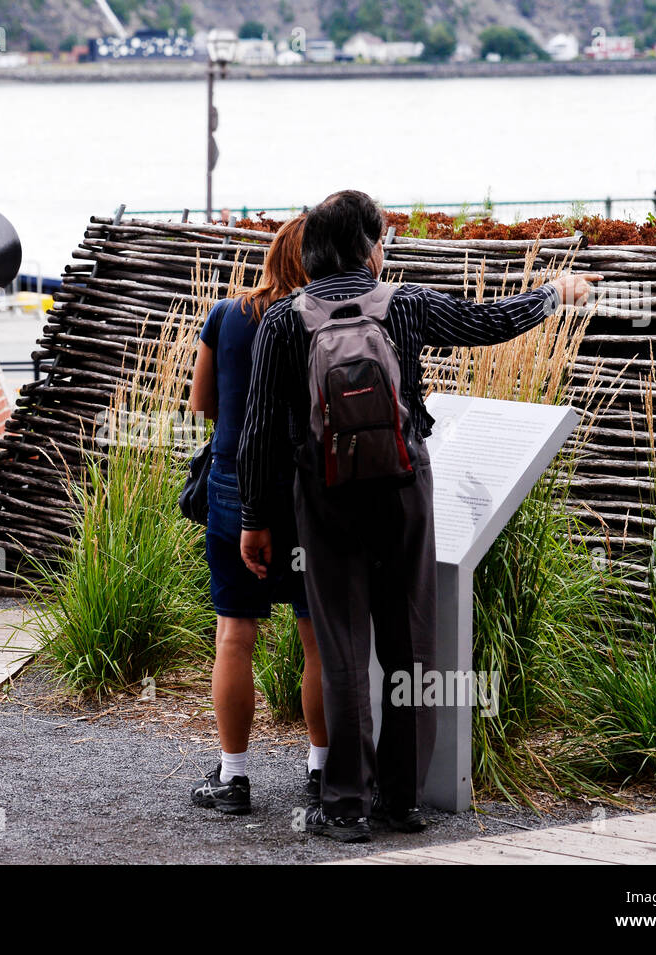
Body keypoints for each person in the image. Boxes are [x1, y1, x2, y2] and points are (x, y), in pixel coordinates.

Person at [236, 190, 602, 842]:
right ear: (367, 245)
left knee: (344, 650)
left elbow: (260, 431)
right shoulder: (404, 303)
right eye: (381, 239)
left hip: (324, 496)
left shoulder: (283, 322)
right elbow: (490, 324)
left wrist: (255, 519)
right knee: (411, 644)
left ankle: (345, 803)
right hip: (404, 490)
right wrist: (552, 294)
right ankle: (401, 800)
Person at [187, 215, 329, 816]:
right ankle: (323, 772)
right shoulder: (321, 317)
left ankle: (234, 777)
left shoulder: (225, 316)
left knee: (235, 632)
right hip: (305, 491)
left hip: (233, 483)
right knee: (316, 638)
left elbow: (201, 405)